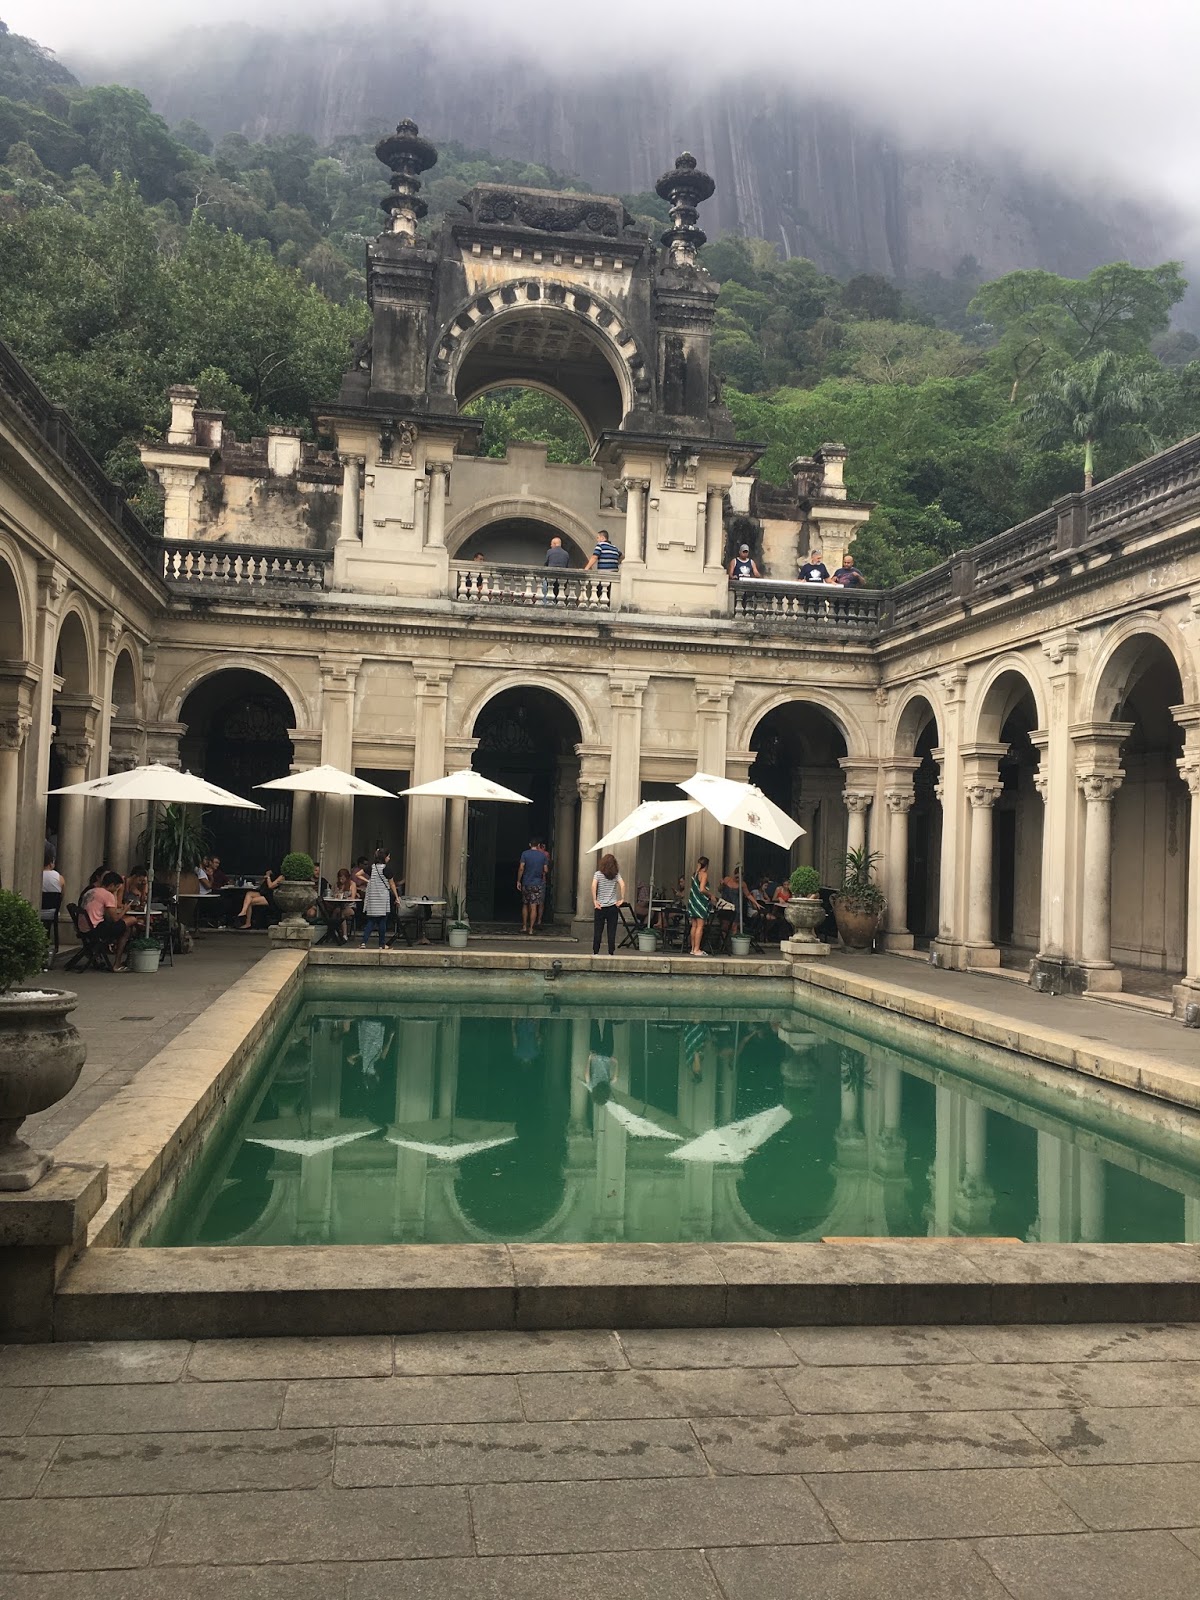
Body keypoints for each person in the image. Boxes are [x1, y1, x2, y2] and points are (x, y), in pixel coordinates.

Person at [84, 870, 134, 969]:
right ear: (111, 885)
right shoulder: (107, 895)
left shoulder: (91, 891)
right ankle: (117, 962)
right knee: (132, 921)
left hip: (85, 928)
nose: (116, 890)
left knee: (126, 927)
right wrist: (125, 909)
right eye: (116, 887)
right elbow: (115, 918)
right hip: (96, 929)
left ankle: (114, 951)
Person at [361, 848, 399, 948]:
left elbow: (358, 874)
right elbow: (392, 884)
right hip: (382, 898)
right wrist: (397, 897)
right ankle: (381, 944)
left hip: (372, 898)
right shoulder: (386, 869)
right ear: (384, 857)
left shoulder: (372, 868)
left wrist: (367, 881)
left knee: (371, 921)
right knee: (382, 921)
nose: (389, 858)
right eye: (388, 856)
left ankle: (363, 942)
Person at [591, 852, 625, 955]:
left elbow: (593, 886)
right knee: (611, 931)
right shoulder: (616, 875)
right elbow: (622, 885)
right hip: (612, 906)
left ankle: (596, 951)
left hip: (600, 906)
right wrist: (622, 899)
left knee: (598, 931)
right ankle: (611, 952)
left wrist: (595, 900)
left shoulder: (598, 874)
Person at [517, 836, 549, 934]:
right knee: (534, 905)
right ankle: (531, 929)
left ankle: (524, 926)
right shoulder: (543, 856)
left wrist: (518, 880)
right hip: (537, 883)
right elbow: (546, 870)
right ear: (539, 845)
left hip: (526, 882)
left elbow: (521, 867)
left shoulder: (525, 854)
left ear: (530, 845)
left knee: (525, 904)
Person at [586, 1018, 618, 1103]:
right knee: (594, 1027)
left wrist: (616, 1064)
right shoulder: (591, 1086)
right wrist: (589, 1060)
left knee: (608, 1027)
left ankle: (608, 1011)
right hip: (595, 1054)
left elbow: (615, 1079)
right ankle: (594, 1009)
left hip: (607, 1055)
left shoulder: (607, 1086)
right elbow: (586, 1075)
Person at [687, 855, 712, 956]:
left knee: (694, 925)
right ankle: (697, 949)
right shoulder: (704, 874)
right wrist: (710, 894)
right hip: (700, 902)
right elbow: (702, 889)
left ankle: (693, 948)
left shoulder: (695, 874)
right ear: (706, 865)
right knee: (700, 926)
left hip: (693, 901)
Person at [329, 867, 358, 943]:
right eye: (340, 878)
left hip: (350, 906)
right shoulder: (336, 885)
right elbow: (332, 894)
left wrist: (346, 897)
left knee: (342, 914)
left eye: (343, 878)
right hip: (339, 905)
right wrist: (337, 894)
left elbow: (353, 897)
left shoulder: (352, 884)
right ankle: (333, 932)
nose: (341, 880)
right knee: (335, 912)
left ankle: (344, 935)